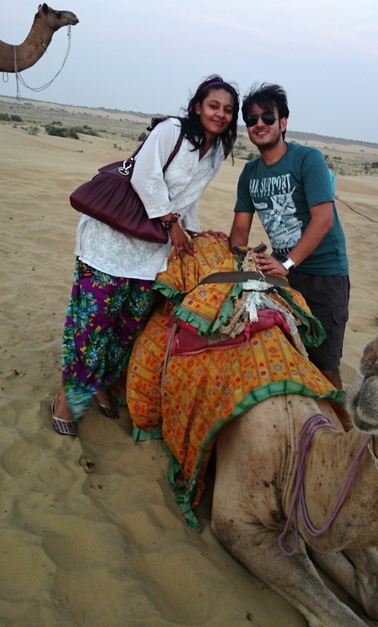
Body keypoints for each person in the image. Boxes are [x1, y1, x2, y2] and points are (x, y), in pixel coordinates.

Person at [51, 75, 240, 435]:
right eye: (214, 106)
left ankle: (102, 384)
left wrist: (193, 234)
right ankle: (67, 398)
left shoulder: (216, 152)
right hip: (111, 244)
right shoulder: (172, 131)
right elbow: (144, 176)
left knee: (126, 327)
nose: (220, 114)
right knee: (94, 325)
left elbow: (189, 196)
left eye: (228, 110)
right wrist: (171, 223)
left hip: (152, 254)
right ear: (198, 106)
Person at [229, 83, 349, 390]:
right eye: (252, 119)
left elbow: (323, 221)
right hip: (282, 276)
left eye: (267, 117)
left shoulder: (308, 159)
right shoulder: (250, 173)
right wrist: (238, 256)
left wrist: (287, 263)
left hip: (323, 276)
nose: (259, 124)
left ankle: (348, 434)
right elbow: (240, 228)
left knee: (325, 366)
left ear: (283, 122)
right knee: (284, 353)